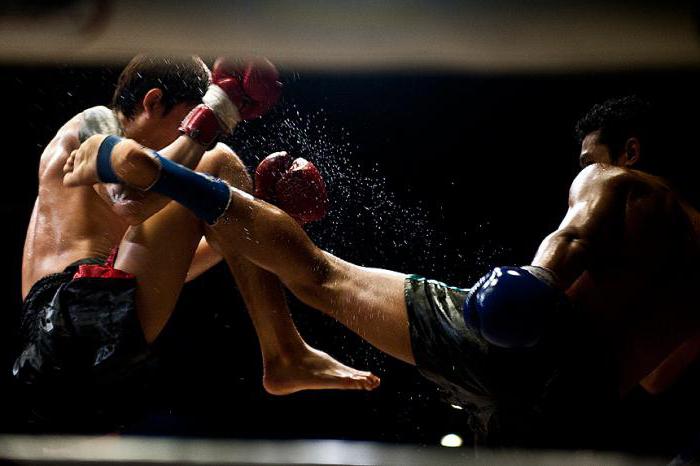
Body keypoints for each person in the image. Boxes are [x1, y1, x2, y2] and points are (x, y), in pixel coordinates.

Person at [64, 95, 700, 448]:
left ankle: (176, 179)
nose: (582, 166)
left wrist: (531, 286)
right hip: (572, 415)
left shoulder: (619, 180)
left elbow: (574, 238)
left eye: (587, 156)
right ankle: (282, 352)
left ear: (631, 149)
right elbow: (660, 379)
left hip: (525, 350)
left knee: (321, 275)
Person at [14, 54, 379, 429]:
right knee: (217, 160)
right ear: (153, 102)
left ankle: (286, 355)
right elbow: (130, 201)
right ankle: (285, 351)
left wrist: (248, 222)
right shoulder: (95, 124)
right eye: (184, 124)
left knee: (218, 199)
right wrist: (214, 115)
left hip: (67, 354)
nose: (189, 142)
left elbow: (168, 267)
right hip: (66, 318)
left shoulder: (108, 241)